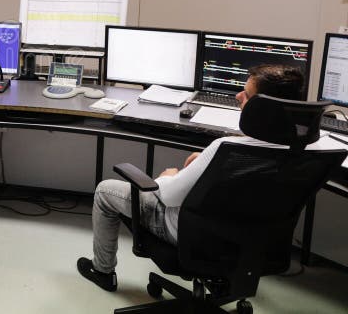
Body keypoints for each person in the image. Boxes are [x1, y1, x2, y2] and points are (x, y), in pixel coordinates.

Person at [76, 64, 306, 292]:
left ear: (264, 109)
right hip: (256, 243)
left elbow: (168, 197)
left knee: (106, 191)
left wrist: (169, 176)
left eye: (246, 95)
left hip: (192, 236)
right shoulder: (305, 150)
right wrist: (207, 160)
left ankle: (102, 271)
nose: (237, 96)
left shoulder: (226, 148)